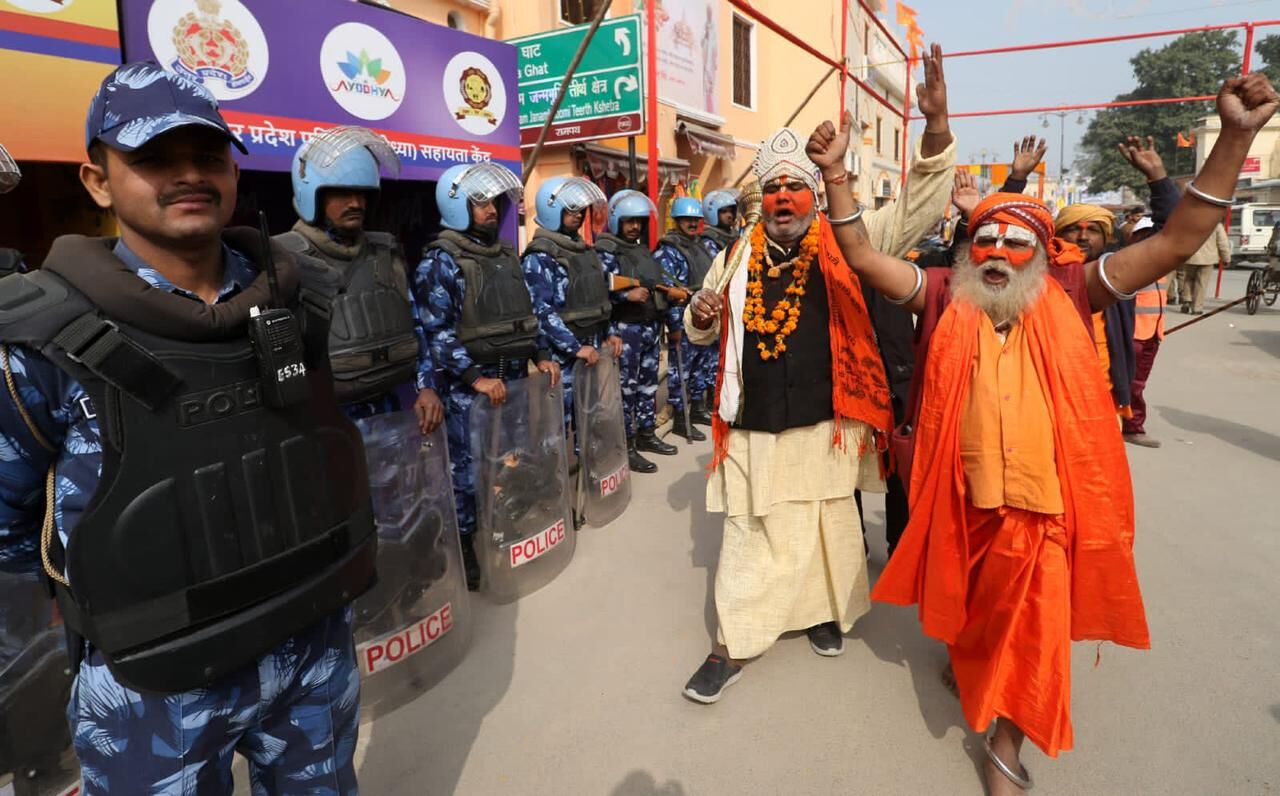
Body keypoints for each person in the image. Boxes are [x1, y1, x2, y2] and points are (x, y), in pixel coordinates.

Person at [808, 70, 1278, 795]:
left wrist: (1236, 137)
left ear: (1043, 252)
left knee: (1033, 626)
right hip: (962, 503)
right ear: (968, 252)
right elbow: (862, 259)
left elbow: (1181, 239)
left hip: (1045, 510)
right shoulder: (941, 292)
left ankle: (1003, 747)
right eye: (984, 241)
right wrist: (836, 175)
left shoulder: (1071, 289)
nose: (997, 253)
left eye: (1015, 242)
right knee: (972, 613)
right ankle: (972, 659)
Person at [0, 62, 377, 794]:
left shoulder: (302, 299)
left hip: (311, 643)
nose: (189, 175)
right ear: (98, 181)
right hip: (152, 685)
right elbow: (9, 533)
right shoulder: (41, 338)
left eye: (207, 156)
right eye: (152, 159)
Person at [680, 42, 957, 704]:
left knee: (830, 525)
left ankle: (826, 615)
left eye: (793, 189)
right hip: (753, 421)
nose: (782, 200)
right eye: (772, 190)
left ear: (812, 194)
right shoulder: (735, 253)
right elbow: (701, 329)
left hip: (831, 419)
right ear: (760, 201)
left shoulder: (851, 240)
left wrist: (937, 125)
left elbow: (920, 205)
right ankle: (734, 641)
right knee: (752, 530)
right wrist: (699, 311)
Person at [417, 162, 557, 590]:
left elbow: (524, 315)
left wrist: (542, 353)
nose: (491, 210)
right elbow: (433, 329)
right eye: (480, 203)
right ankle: (465, 552)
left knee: (508, 464)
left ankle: (501, 535)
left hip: (511, 382)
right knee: (466, 477)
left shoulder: (505, 257)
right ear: (457, 204)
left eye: (493, 202)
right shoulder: (441, 260)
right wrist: (474, 377)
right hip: (470, 392)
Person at [278, 124, 443, 431]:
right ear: (311, 193)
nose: (355, 203)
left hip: (393, 412)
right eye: (342, 192)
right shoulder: (283, 260)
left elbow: (413, 323)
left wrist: (427, 386)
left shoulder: (385, 251)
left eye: (362, 193)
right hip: (326, 422)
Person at [520, 175, 623, 437]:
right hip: (561, 357)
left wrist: (608, 331)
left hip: (590, 350)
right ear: (552, 209)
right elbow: (541, 311)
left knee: (589, 423)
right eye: (570, 209)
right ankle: (555, 478)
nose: (578, 215)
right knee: (555, 431)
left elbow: (598, 297)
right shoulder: (540, 256)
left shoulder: (585, 251)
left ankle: (586, 475)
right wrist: (575, 347)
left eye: (580, 209)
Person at [596, 189, 679, 473]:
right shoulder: (606, 250)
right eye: (629, 221)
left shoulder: (644, 250)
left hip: (649, 327)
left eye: (639, 221)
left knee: (648, 386)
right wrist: (624, 296)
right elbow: (599, 288)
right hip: (625, 329)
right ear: (617, 220)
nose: (635, 226)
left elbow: (656, 284)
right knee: (625, 390)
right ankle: (626, 444)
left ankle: (645, 434)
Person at [1115, 135, 1183, 448]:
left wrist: (1158, 176)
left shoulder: (1157, 261)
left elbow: (1175, 226)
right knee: (1131, 384)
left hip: (1152, 332)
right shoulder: (1122, 264)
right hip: (1131, 335)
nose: (1149, 240)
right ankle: (1131, 426)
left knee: (1136, 383)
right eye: (1143, 235)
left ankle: (1129, 424)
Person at [1054, 202, 1136, 415]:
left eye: (1092, 230)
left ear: (1107, 238)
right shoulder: (1040, 275)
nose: (1082, 237)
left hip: (1102, 395)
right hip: (1051, 398)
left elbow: (1172, 240)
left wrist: (1157, 179)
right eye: (1073, 229)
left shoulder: (1117, 275)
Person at [654, 196, 712, 441]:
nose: (691, 223)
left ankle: (697, 409)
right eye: (687, 219)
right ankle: (679, 418)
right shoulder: (668, 251)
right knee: (681, 372)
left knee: (700, 367)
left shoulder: (699, 246)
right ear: (677, 220)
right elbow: (670, 295)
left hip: (702, 317)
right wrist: (675, 326)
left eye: (695, 220)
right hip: (684, 318)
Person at [1179, 220, 1231, 314]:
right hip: (1208, 258)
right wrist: (1226, 258)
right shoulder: (1216, 225)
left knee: (1188, 279)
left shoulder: (1190, 223)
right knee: (1201, 283)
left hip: (1191, 256)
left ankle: (1186, 300)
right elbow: (1222, 243)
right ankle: (1197, 308)